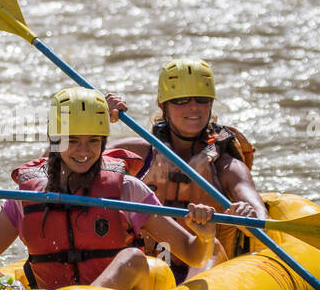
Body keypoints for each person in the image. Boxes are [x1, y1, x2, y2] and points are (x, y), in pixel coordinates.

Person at [0, 87, 218, 290]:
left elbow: (191, 252)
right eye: (72, 141)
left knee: (132, 258)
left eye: (93, 141)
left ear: (104, 143)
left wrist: (204, 236)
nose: (83, 151)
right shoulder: (28, 197)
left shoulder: (127, 191)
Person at [108, 58, 266, 267]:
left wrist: (249, 216)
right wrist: (96, 116)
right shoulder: (140, 153)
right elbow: (64, 159)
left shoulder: (226, 167)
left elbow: (260, 216)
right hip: (152, 267)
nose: (194, 108)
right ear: (163, 106)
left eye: (202, 100)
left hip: (210, 268)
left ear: (210, 104)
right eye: (181, 100)